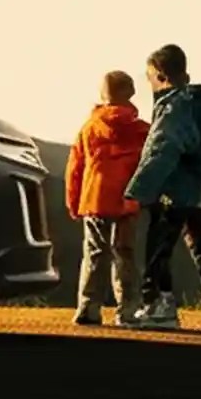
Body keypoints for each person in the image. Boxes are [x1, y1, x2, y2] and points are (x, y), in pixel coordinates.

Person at [123, 44, 201, 331]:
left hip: (176, 190)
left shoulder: (174, 105)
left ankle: (158, 305)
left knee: (159, 247)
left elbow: (163, 149)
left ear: (160, 75)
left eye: (150, 76)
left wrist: (139, 191)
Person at [64, 71, 148, 327]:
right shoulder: (140, 130)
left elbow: (75, 167)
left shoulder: (90, 127)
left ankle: (88, 308)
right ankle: (128, 310)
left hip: (95, 198)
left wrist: (73, 201)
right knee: (126, 254)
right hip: (127, 200)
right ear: (130, 93)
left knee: (95, 253)